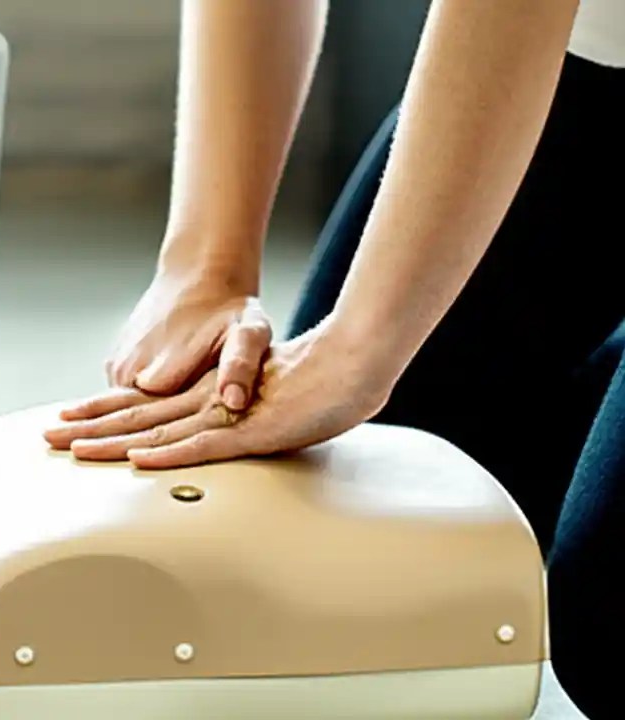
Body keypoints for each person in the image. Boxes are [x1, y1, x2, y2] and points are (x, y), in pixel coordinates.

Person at [42, 1, 624, 716]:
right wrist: (208, 266)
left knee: (611, 624)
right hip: (590, 50)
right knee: (349, 531)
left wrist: (359, 348)